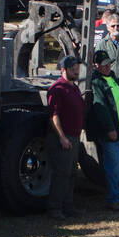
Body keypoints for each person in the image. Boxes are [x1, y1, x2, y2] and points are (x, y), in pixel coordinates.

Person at [85, 49, 119, 210]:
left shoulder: (113, 78)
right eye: (104, 65)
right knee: (114, 166)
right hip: (112, 131)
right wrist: (109, 129)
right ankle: (113, 199)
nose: (107, 67)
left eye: (109, 63)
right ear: (96, 66)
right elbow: (101, 108)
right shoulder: (97, 82)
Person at [46, 55, 86, 221]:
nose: (76, 71)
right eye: (72, 69)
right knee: (61, 174)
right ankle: (54, 208)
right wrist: (62, 137)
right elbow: (54, 116)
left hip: (74, 137)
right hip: (63, 138)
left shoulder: (74, 87)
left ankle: (68, 206)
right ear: (63, 70)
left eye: (77, 68)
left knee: (71, 174)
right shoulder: (57, 89)